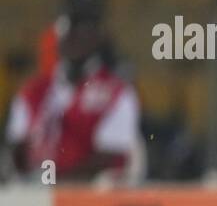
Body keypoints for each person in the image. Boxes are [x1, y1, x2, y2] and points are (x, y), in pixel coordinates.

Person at [4, 12, 142, 183]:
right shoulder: (32, 91)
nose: (73, 42)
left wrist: (55, 181)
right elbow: (16, 147)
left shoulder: (116, 92)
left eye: (79, 35)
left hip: (93, 195)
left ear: (94, 40)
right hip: (36, 190)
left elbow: (111, 156)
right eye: (68, 35)